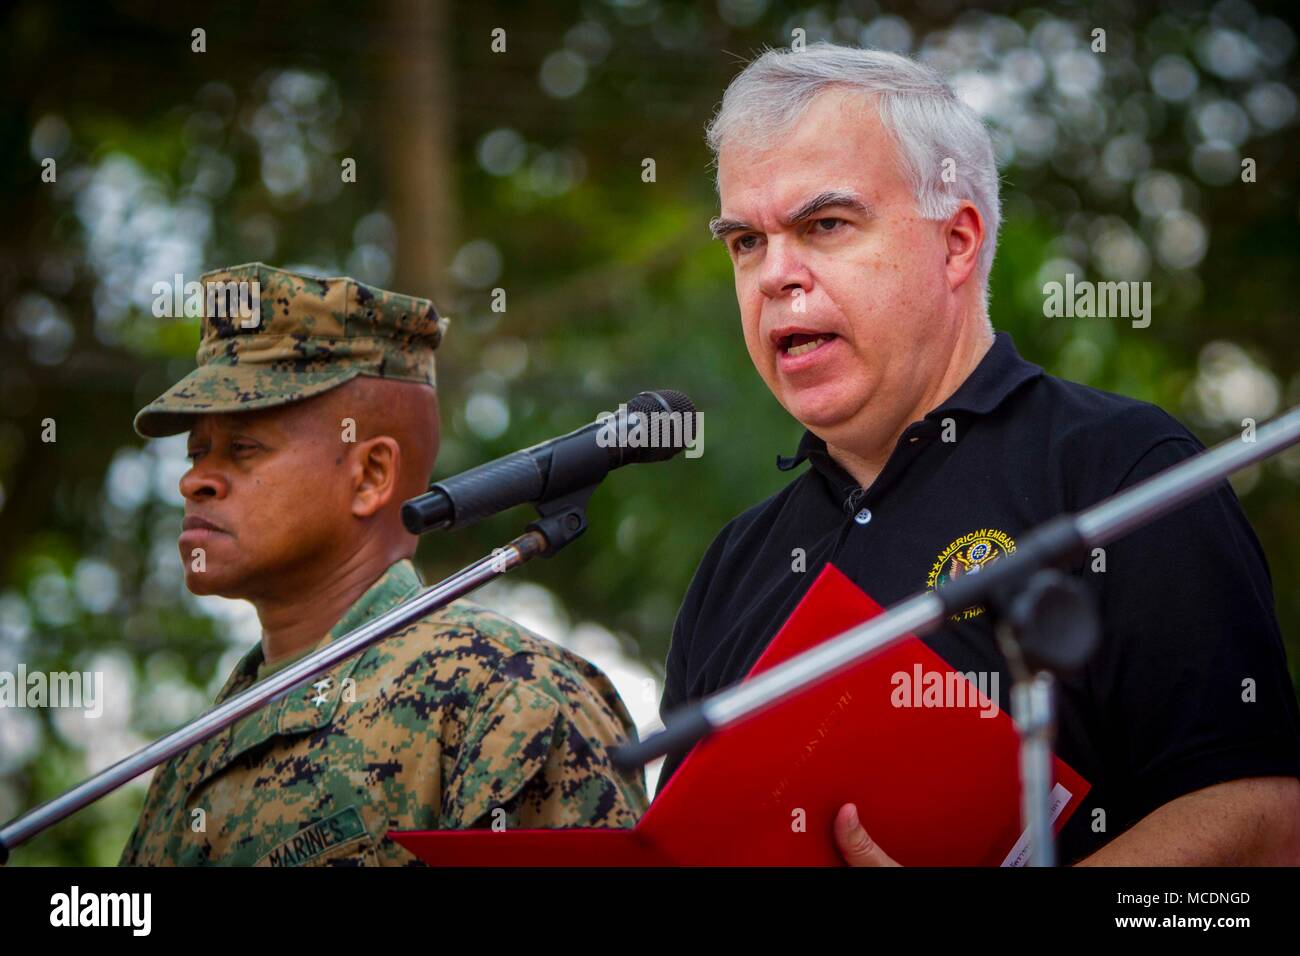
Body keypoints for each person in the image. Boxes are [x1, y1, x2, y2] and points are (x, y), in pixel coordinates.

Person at [660, 44, 1300, 865]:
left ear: (958, 242)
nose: (775, 274)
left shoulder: (1123, 472)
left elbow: (1265, 823)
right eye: (746, 241)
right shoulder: (734, 566)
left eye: (824, 225)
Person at [120, 262, 647, 866]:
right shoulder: (195, 754)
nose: (195, 480)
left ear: (370, 475)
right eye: (196, 451)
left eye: (242, 448)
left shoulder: (506, 698)